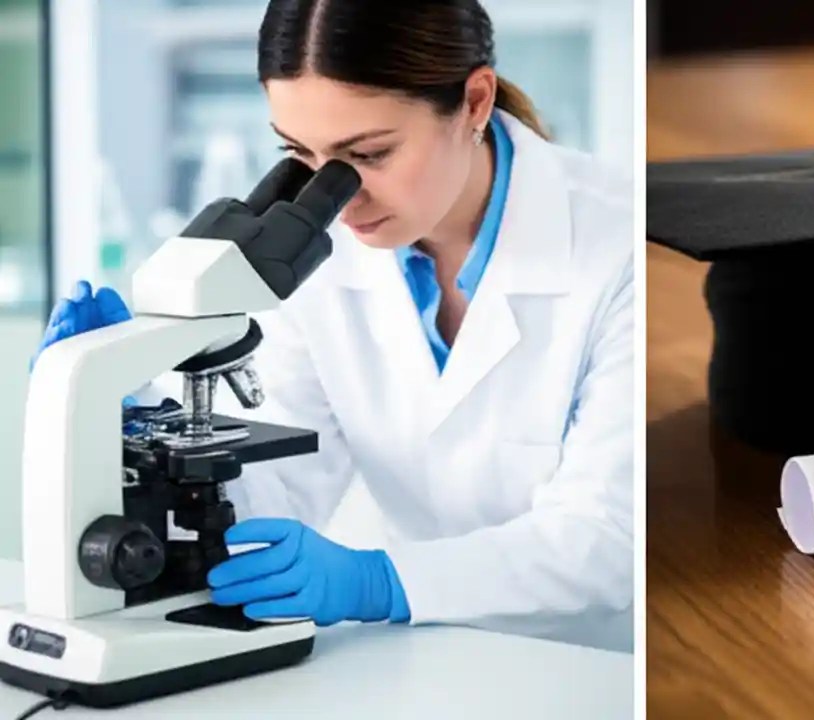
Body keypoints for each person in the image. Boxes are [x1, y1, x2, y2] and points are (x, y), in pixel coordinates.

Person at [33, 0, 633, 651]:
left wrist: (379, 581)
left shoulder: (618, 242)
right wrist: (120, 417)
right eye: (299, 155)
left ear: (476, 102)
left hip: (598, 662)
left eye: (367, 154)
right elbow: (273, 493)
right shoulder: (324, 258)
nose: (338, 196)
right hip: (424, 656)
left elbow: (607, 537)